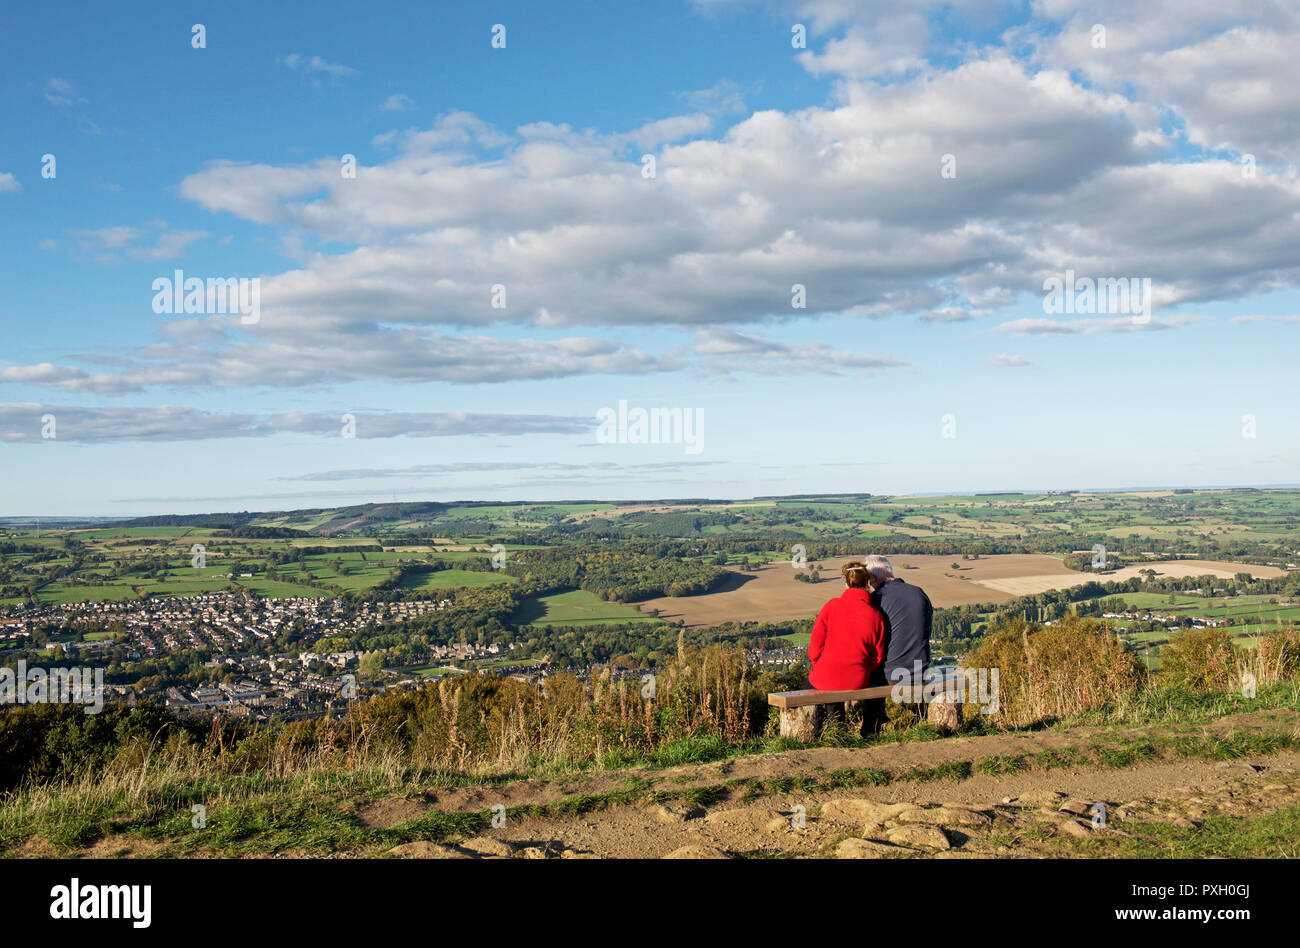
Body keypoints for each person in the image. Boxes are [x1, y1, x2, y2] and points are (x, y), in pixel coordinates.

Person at [807, 561, 886, 730]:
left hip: (825, 675)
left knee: (819, 684)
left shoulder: (831, 606)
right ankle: (866, 731)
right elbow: (877, 658)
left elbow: (814, 649)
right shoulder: (876, 615)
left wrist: (820, 664)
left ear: (846, 584)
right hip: (858, 679)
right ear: (867, 584)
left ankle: (837, 730)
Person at [863, 554, 933, 730]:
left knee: (867, 674)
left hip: (892, 674)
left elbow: (871, 640)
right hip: (920, 669)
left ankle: (871, 728)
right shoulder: (919, 592)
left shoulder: (876, 599)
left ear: (872, 578)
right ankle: (921, 723)